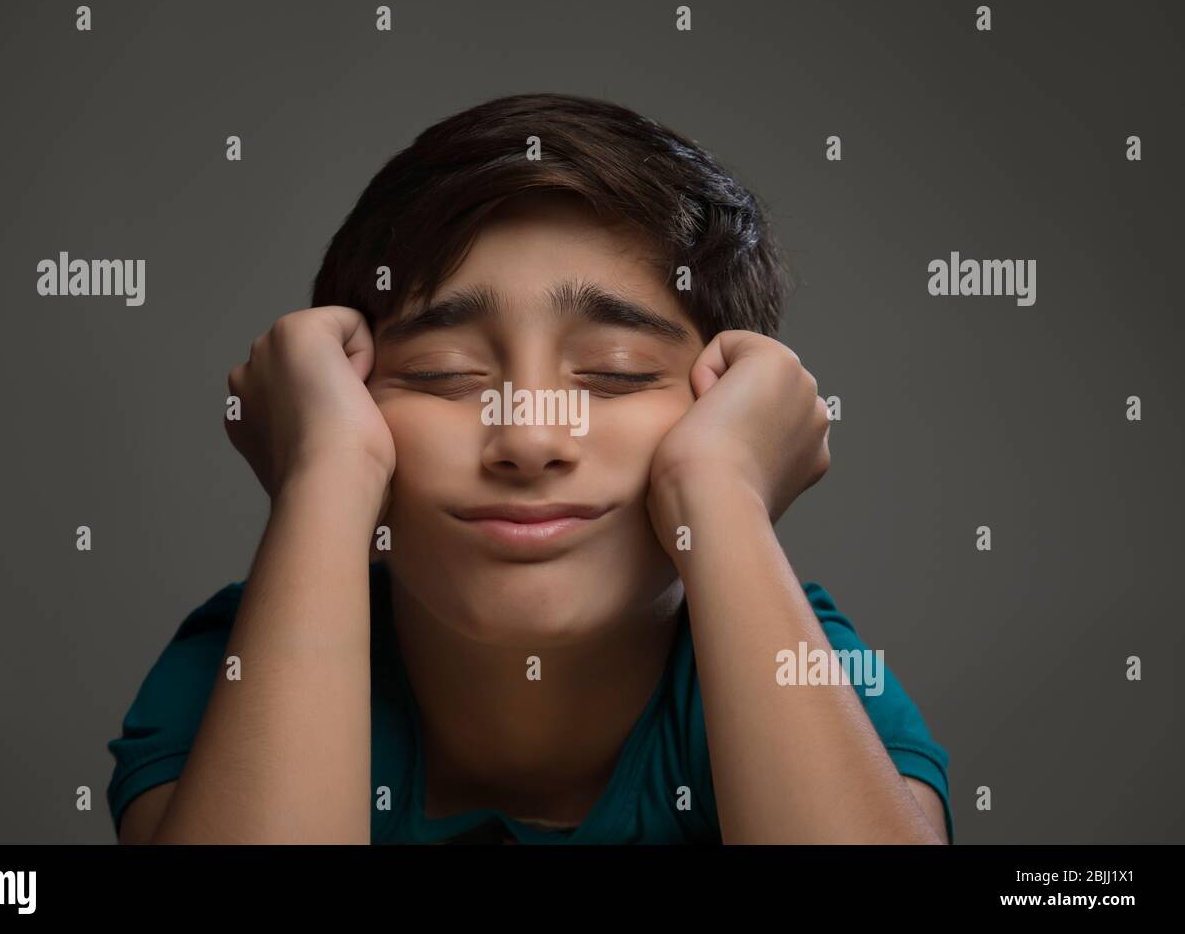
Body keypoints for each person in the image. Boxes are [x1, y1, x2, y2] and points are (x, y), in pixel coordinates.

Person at [106, 92, 953, 844]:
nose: (528, 437)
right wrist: (323, 478)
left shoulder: (794, 657)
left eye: (616, 372)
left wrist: (722, 496)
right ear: (346, 399)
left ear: (734, 409)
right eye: (443, 374)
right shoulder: (238, 666)